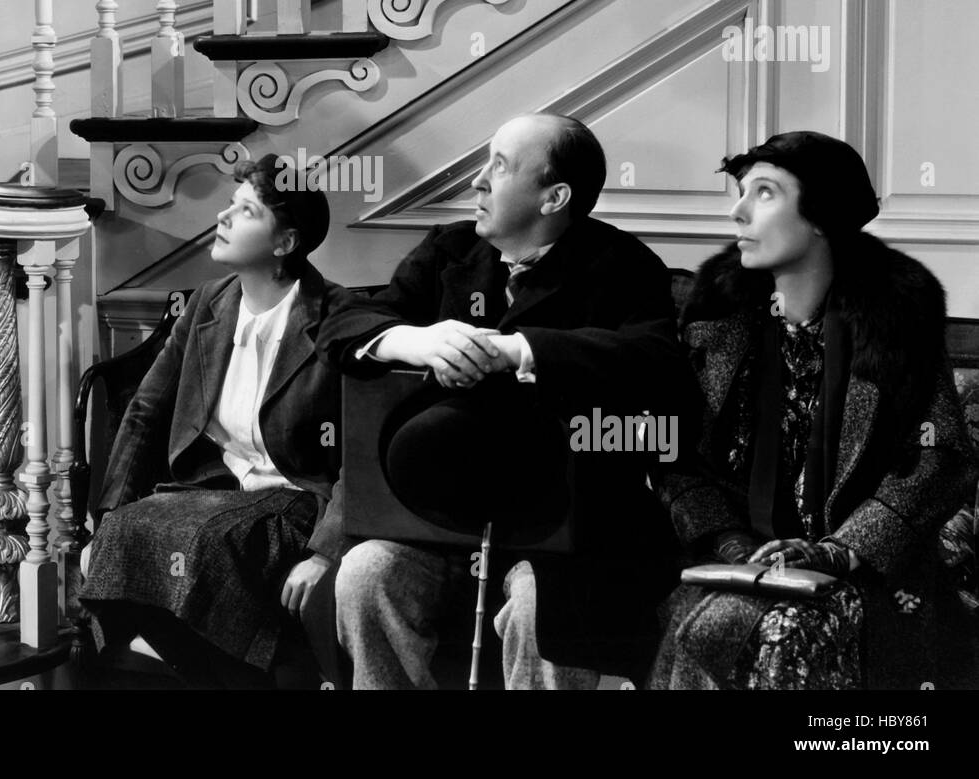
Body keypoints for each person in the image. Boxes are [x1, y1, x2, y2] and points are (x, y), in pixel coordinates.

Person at [317, 114, 694, 689]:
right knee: (365, 576)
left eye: (499, 165)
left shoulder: (621, 264)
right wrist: (416, 341)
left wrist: (517, 350)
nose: (477, 181)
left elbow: (655, 360)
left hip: (568, 529)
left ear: (554, 197)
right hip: (436, 520)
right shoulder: (449, 250)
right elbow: (343, 325)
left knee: (543, 607)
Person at [652, 131, 978, 689]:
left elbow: (938, 458)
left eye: (764, 193)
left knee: (783, 629)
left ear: (823, 216)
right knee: (703, 618)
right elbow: (676, 452)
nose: (737, 212)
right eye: (741, 192)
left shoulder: (896, 317)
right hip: (732, 556)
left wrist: (838, 553)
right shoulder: (718, 314)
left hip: (870, 568)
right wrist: (730, 542)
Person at [80, 155, 354, 688]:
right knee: (124, 533)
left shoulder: (335, 316)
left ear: (285, 242)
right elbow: (144, 412)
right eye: (230, 204)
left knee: (208, 543)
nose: (223, 217)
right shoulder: (209, 301)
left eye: (245, 211)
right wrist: (106, 516)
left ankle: (220, 668)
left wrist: (325, 553)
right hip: (215, 488)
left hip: (297, 495)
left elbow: (360, 454)